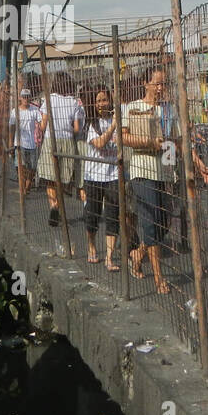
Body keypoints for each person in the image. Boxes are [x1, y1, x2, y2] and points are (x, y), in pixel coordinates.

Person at [121, 68, 176, 294]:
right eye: (157, 83)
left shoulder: (169, 110)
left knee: (165, 219)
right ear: (146, 84)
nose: (161, 88)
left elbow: (176, 139)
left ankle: (138, 254)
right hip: (142, 169)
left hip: (164, 170)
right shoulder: (133, 108)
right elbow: (123, 137)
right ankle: (159, 277)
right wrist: (148, 142)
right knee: (150, 217)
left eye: (164, 84)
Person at [35, 73, 85, 227]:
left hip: (51, 140)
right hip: (68, 142)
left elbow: (43, 125)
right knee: (63, 179)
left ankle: (53, 205)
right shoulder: (73, 102)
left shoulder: (49, 99)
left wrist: (39, 128)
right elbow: (77, 129)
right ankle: (58, 205)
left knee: (50, 178)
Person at [82, 89, 122, 270]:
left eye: (105, 100)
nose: (102, 104)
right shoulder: (92, 123)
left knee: (113, 215)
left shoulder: (117, 120)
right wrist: (113, 126)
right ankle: (91, 246)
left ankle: (109, 257)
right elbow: (98, 144)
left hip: (113, 174)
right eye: (98, 101)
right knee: (93, 214)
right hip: (93, 175)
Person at [10, 88, 42, 196]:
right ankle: (22, 189)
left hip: (32, 144)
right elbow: (12, 127)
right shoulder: (15, 111)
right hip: (19, 144)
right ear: (20, 98)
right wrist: (11, 143)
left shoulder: (35, 110)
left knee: (32, 168)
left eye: (27, 97)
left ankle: (27, 187)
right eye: (24, 96)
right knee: (21, 166)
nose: (26, 99)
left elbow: (42, 123)